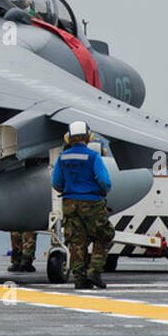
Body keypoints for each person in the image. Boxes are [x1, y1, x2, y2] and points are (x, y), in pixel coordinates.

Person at [52, 120, 114, 290]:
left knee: (77, 241)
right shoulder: (93, 156)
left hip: (70, 203)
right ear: (88, 137)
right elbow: (104, 181)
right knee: (104, 236)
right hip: (92, 203)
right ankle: (94, 271)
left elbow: (56, 182)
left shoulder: (62, 157)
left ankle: (80, 280)